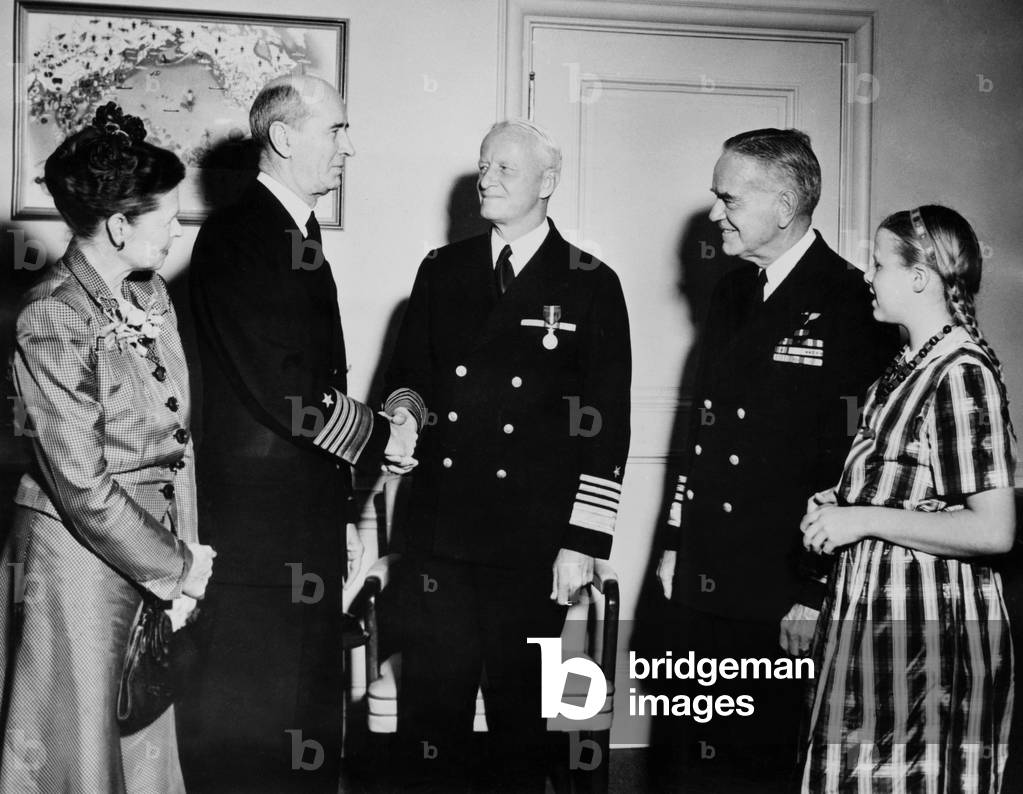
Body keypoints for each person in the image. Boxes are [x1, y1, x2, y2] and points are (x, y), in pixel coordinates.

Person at [184, 74, 418, 793]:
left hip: (295, 516)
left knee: (302, 705)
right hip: (261, 532)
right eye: (337, 130)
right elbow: (287, 392)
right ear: (285, 138)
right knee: (261, 717)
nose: (349, 147)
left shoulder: (284, 229)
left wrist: (339, 502)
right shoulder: (243, 235)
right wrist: (382, 439)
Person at [385, 119, 631, 791]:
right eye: (483, 167)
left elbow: (606, 429)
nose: (486, 181)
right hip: (439, 532)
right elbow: (409, 379)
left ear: (547, 183)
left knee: (523, 717)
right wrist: (401, 420)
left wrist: (581, 540)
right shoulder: (442, 269)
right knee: (430, 714)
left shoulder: (589, 282)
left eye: (505, 171)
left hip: (532, 541)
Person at [653, 128, 894, 790]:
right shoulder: (731, 292)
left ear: (783, 206)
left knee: (759, 756)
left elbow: (852, 468)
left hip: (780, 583)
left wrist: (813, 592)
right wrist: (674, 545)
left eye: (726, 197)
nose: (712, 214)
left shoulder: (851, 303)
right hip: (704, 567)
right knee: (688, 747)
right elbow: (701, 435)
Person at [0, 103, 215, 792]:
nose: (180, 228)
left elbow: (178, 441)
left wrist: (187, 558)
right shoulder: (52, 315)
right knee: (79, 755)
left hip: (150, 555)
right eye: (168, 216)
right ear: (120, 225)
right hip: (75, 567)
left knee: (146, 746)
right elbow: (82, 485)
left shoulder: (151, 297)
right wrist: (175, 565)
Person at [799, 205, 1016, 793]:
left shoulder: (961, 372)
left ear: (920, 277)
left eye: (878, 263)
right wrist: (843, 500)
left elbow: (993, 530)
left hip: (926, 633)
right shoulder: (906, 366)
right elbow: (914, 484)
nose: (867, 275)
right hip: (878, 616)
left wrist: (862, 516)